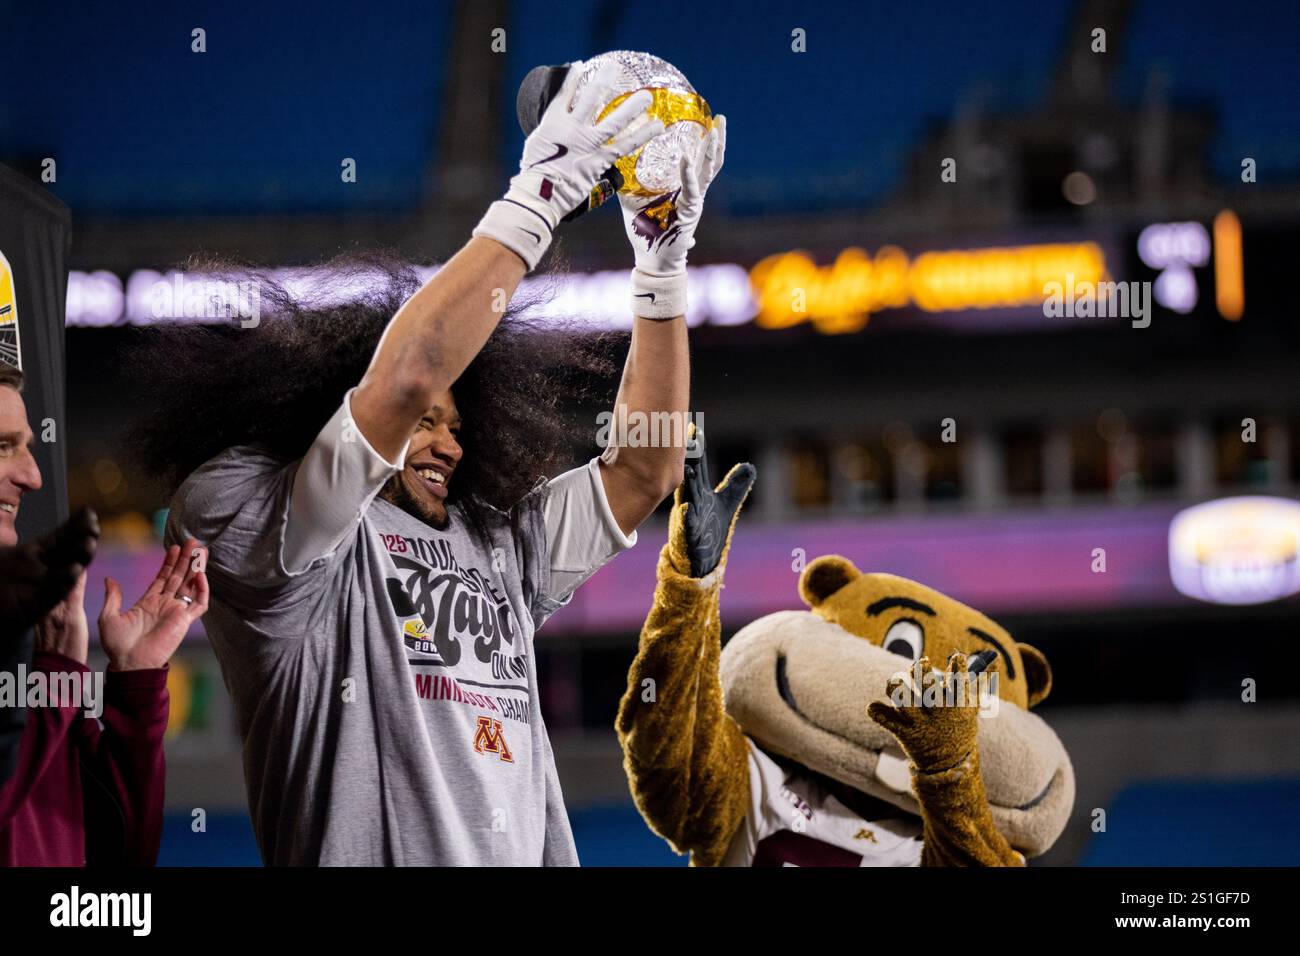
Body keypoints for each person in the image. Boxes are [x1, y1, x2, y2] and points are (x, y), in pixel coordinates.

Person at [139, 58, 727, 864]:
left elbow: (642, 472)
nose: (448, 440)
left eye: (457, 425)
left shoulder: (496, 547)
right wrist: (545, 190)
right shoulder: (298, 546)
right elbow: (409, 375)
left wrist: (662, 267)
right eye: (424, 425)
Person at [0, 363, 212, 864]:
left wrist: (135, 685)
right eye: (2, 447)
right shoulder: (45, 660)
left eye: (28, 445)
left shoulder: (35, 642)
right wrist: (56, 678)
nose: (32, 476)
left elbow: (122, 854)